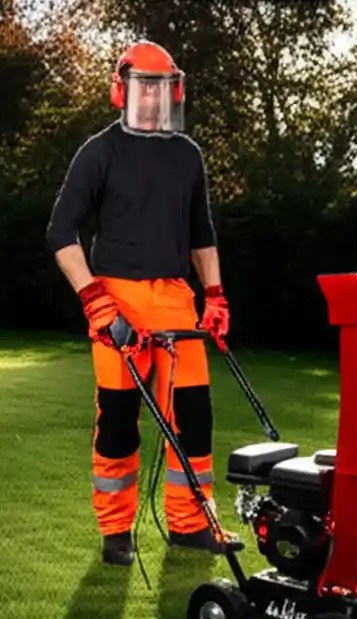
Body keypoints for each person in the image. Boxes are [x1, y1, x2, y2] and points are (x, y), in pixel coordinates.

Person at [44, 40, 231, 566]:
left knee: (193, 416)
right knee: (120, 419)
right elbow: (61, 234)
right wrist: (96, 302)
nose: (153, 99)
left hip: (176, 297)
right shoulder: (99, 153)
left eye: (162, 88)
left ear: (176, 90)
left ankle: (193, 523)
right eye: (143, 88)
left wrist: (214, 295)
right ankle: (116, 530)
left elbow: (202, 234)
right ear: (120, 90)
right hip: (116, 297)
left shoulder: (187, 155)